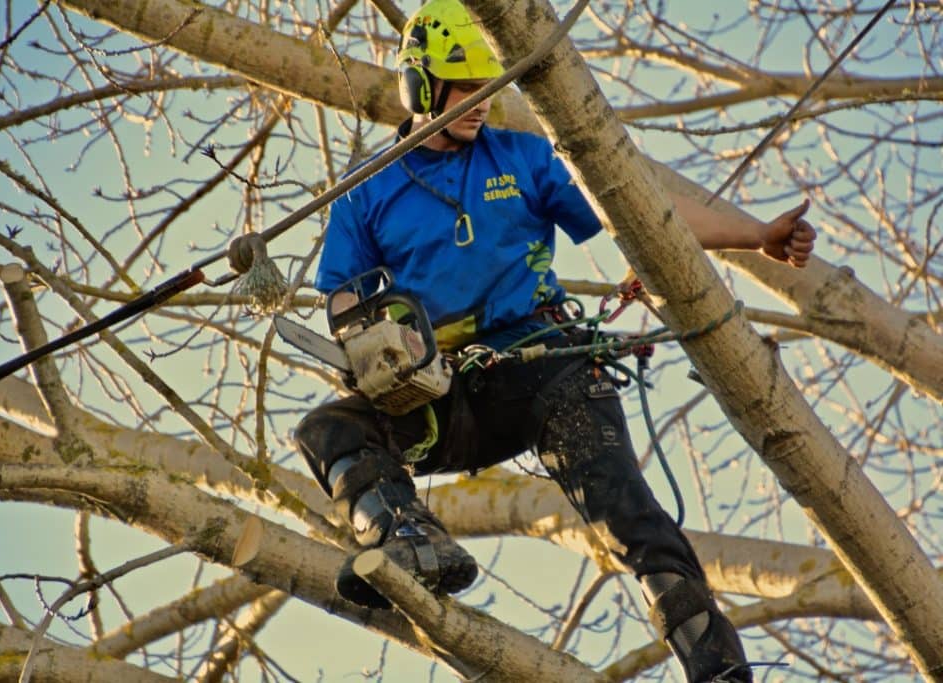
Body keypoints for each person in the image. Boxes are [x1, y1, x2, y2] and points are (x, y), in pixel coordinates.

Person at [231, 1, 816, 681]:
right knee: (328, 429)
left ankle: (715, 663)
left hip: (544, 368)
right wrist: (373, 354)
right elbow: (343, 301)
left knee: (630, 512)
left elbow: (642, 209)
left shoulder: (526, 158)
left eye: (488, 86)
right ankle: (407, 542)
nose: (479, 103)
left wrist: (757, 235)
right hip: (440, 389)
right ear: (420, 86)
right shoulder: (370, 193)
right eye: (463, 88)